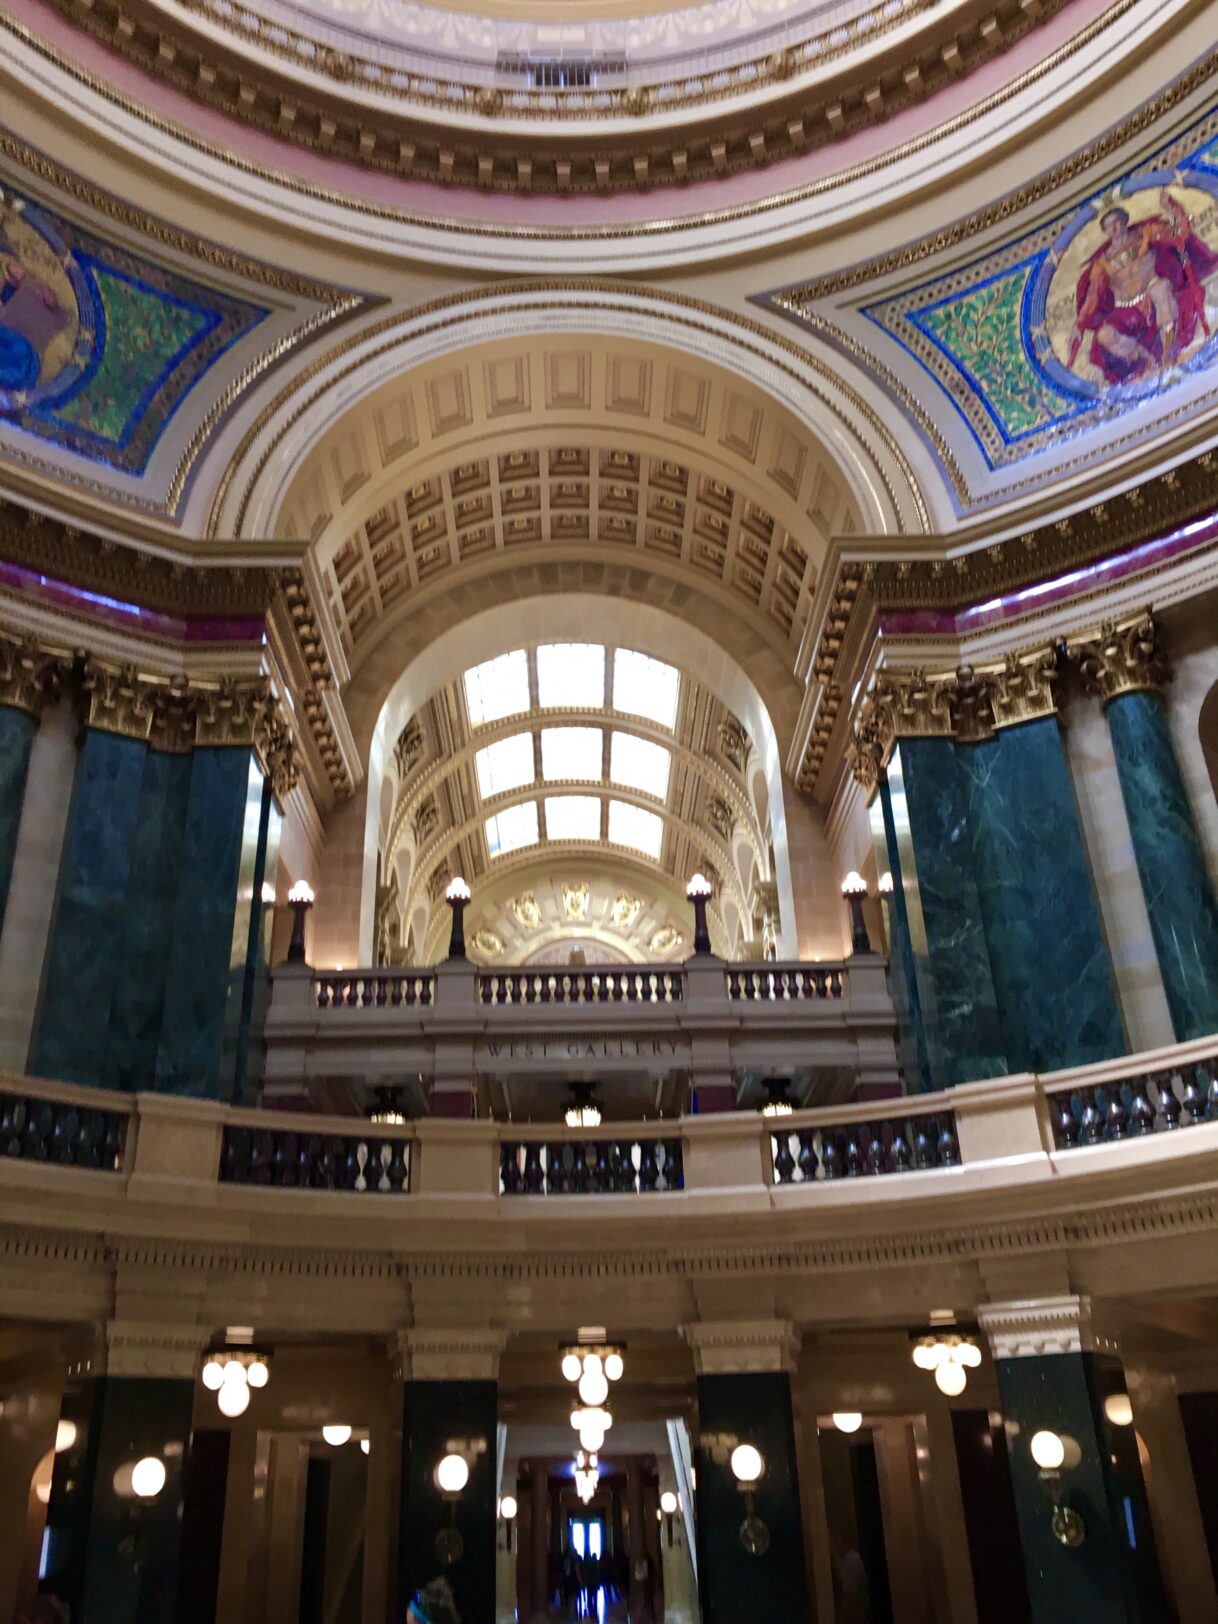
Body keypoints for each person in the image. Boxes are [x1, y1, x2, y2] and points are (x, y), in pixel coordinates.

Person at [1068, 194, 1218, 386]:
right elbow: (1093, 295)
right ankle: (1146, 359)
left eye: (1117, 222)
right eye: (1108, 226)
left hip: (1153, 293)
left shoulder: (1146, 233)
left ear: (1125, 221)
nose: (1114, 228)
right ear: (1105, 231)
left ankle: (1168, 353)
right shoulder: (1102, 263)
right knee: (1103, 334)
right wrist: (1079, 324)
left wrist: (1173, 208)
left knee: (1160, 288)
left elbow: (1180, 234)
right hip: (1126, 310)